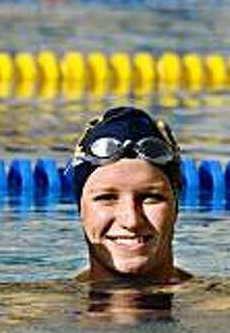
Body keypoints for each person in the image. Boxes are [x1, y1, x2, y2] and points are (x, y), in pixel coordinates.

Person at [70, 106, 191, 286]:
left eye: (151, 198)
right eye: (106, 198)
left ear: (176, 206)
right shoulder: (30, 308)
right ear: (81, 208)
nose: (131, 221)